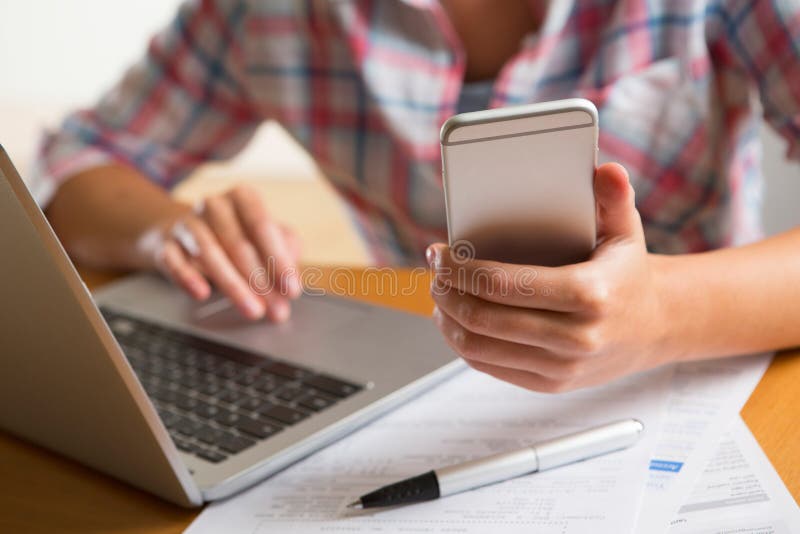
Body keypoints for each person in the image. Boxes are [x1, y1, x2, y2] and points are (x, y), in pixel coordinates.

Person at [34, 0, 800, 393]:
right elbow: (79, 163)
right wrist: (172, 233)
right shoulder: (268, 13)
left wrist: (658, 317)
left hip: (711, 371)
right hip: (424, 387)